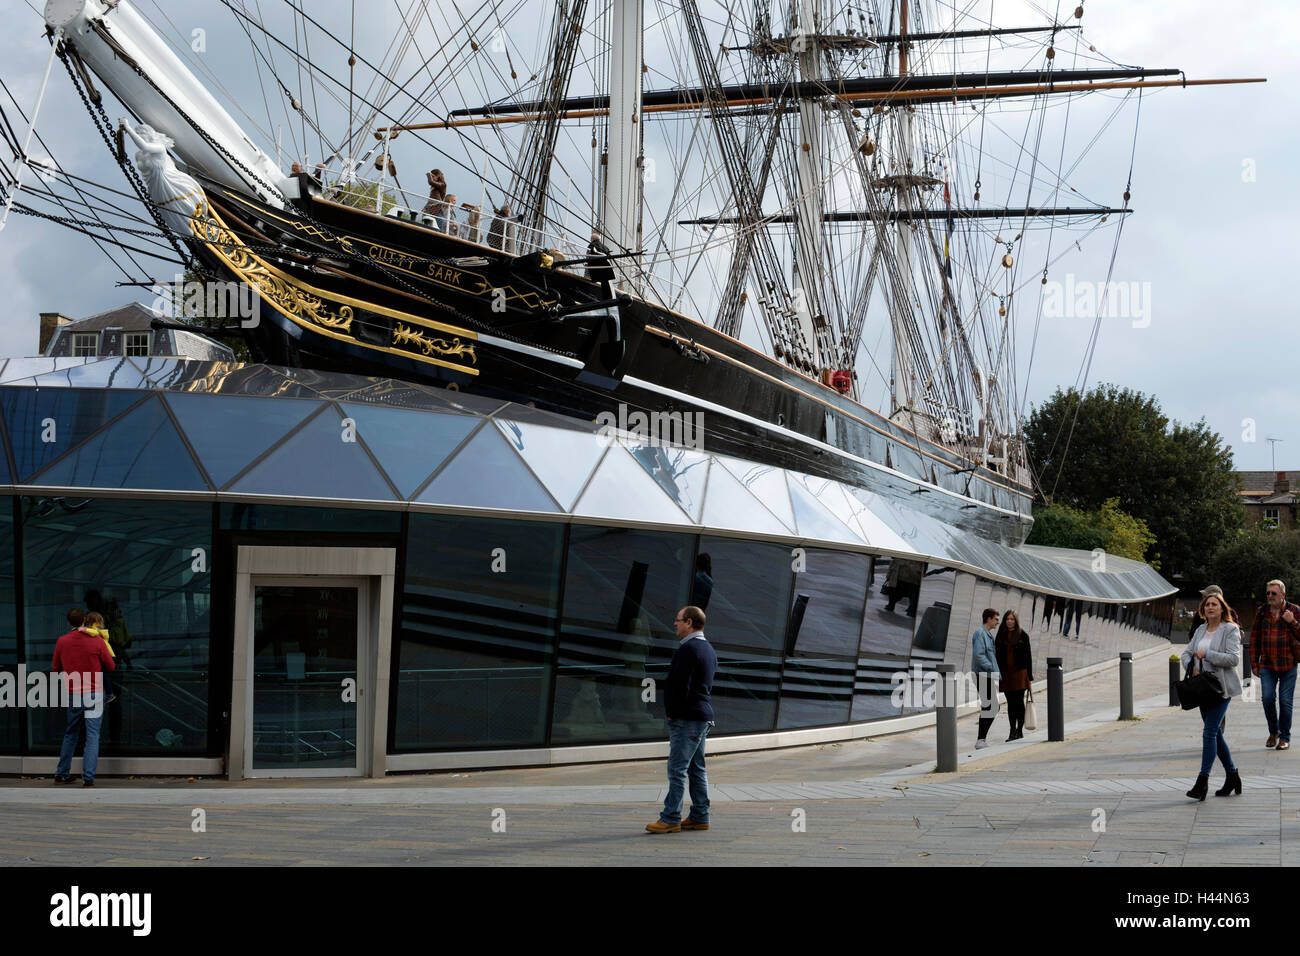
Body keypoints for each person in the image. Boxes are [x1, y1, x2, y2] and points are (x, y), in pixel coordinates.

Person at [646, 605, 717, 834]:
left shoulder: (688, 650)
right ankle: (699, 816)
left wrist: (672, 713)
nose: (674, 624)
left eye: (677, 620)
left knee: (677, 769)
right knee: (697, 769)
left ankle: (670, 818)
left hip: (687, 719)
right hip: (702, 716)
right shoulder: (708, 649)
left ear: (689, 622)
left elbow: (680, 687)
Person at [1182, 592, 1242, 799]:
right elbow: (1187, 653)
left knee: (1209, 733)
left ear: (1222, 608)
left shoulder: (1230, 629)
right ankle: (1233, 776)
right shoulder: (1200, 629)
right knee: (1216, 734)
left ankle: (1202, 782)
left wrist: (1208, 655)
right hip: (1202, 689)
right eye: (1207, 605)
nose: (1210, 607)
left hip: (1221, 689)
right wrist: (1193, 668)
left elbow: (1233, 659)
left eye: (1214, 604)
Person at [52, 608, 115, 787]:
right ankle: (88, 778)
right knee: (93, 735)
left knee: (71, 733)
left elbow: (56, 667)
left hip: (73, 692)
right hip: (94, 693)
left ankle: (61, 773)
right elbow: (110, 666)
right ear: (85, 620)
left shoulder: (62, 641)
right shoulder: (97, 641)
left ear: (68, 622)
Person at [1250, 579, 1300, 750]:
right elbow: (1254, 638)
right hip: (1267, 665)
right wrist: (1254, 664)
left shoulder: (1294, 610)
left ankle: (1285, 737)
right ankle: (1274, 731)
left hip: (1288, 665)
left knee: (1285, 701)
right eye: (1268, 593)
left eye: (1274, 593)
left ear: (1283, 595)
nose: (1270, 596)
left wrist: (1292, 622)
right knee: (1267, 698)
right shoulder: (1262, 612)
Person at [995, 608, 1032, 741]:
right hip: (1005, 675)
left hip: (1020, 674)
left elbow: (1028, 658)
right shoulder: (1000, 635)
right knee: (1010, 703)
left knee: (1019, 702)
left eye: (1012, 619)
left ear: (1016, 621)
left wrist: (1029, 677)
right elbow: (996, 656)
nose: (1009, 621)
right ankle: (1012, 731)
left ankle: (1019, 730)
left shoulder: (1023, 635)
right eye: (1007, 619)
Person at [970, 608, 999, 749]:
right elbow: (979, 655)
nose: (997, 622)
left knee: (992, 706)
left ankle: (982, 739)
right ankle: (980, 740)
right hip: (982, 674)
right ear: (988, 619)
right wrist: (991, 668)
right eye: (996, 619)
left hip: (986, 675)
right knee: (991, 706)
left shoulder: (987, 635)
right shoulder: (980, 633)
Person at [80, 611, 116, 704]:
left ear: (91, 621)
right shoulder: (99, 628)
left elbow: (94, 633)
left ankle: (110, 694)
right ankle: (109, 693)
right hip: (107, 654)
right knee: (103, 674)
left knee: (103, 675)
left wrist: (83, 629)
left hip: (106, 654)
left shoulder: (96, 629)